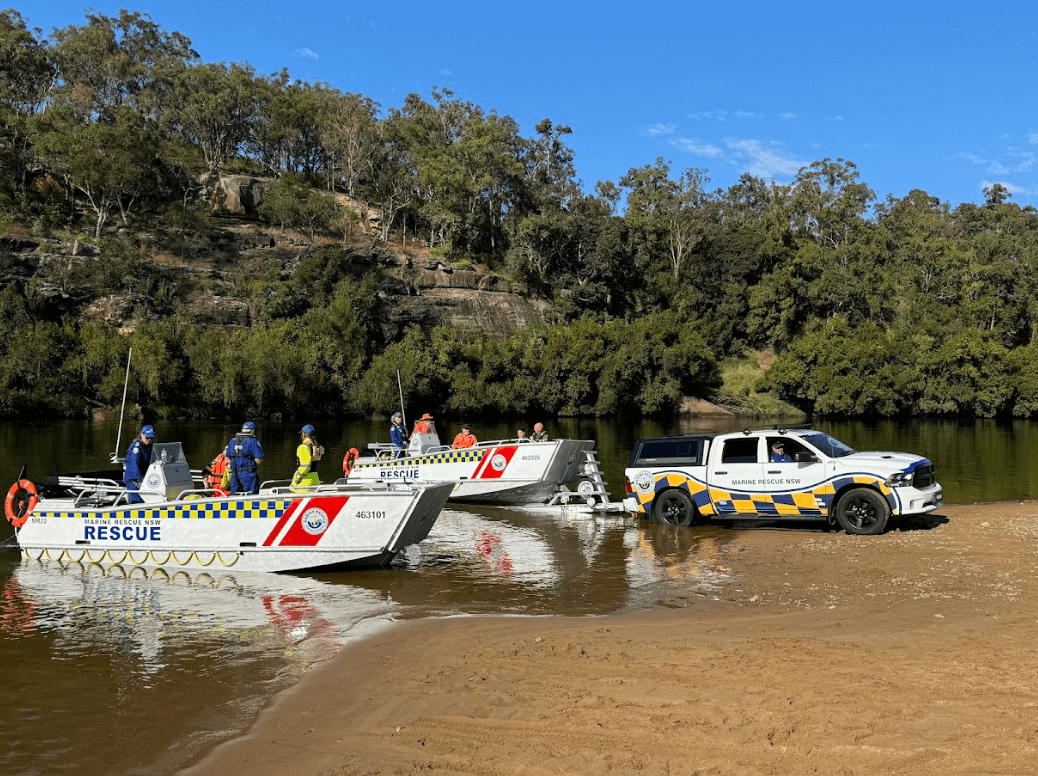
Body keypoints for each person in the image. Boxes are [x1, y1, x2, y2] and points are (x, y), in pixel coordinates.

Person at [226, 421, 265, 495]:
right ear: (252, 431)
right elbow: (258, 460)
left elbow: (228, 458)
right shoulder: (253, 441)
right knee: (251, 496)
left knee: (235, 496)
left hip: (235, 474)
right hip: (248, 474)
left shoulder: (233, 441)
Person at [123, 424, 155, 503]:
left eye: (151, 438)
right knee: (137, 502)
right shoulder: (136, 448)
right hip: (134, 480)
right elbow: (134, 465)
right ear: (141, 435)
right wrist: (140, 480)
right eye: (147, 438)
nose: (149, 440)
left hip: (145, 478)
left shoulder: (149, 447)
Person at [291, 424, 323, 491]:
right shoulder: (318, 447)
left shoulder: (303, 447)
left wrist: (297, 478)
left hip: (304, 484)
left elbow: (305, 466)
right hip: (315, 481)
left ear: (304, 435)